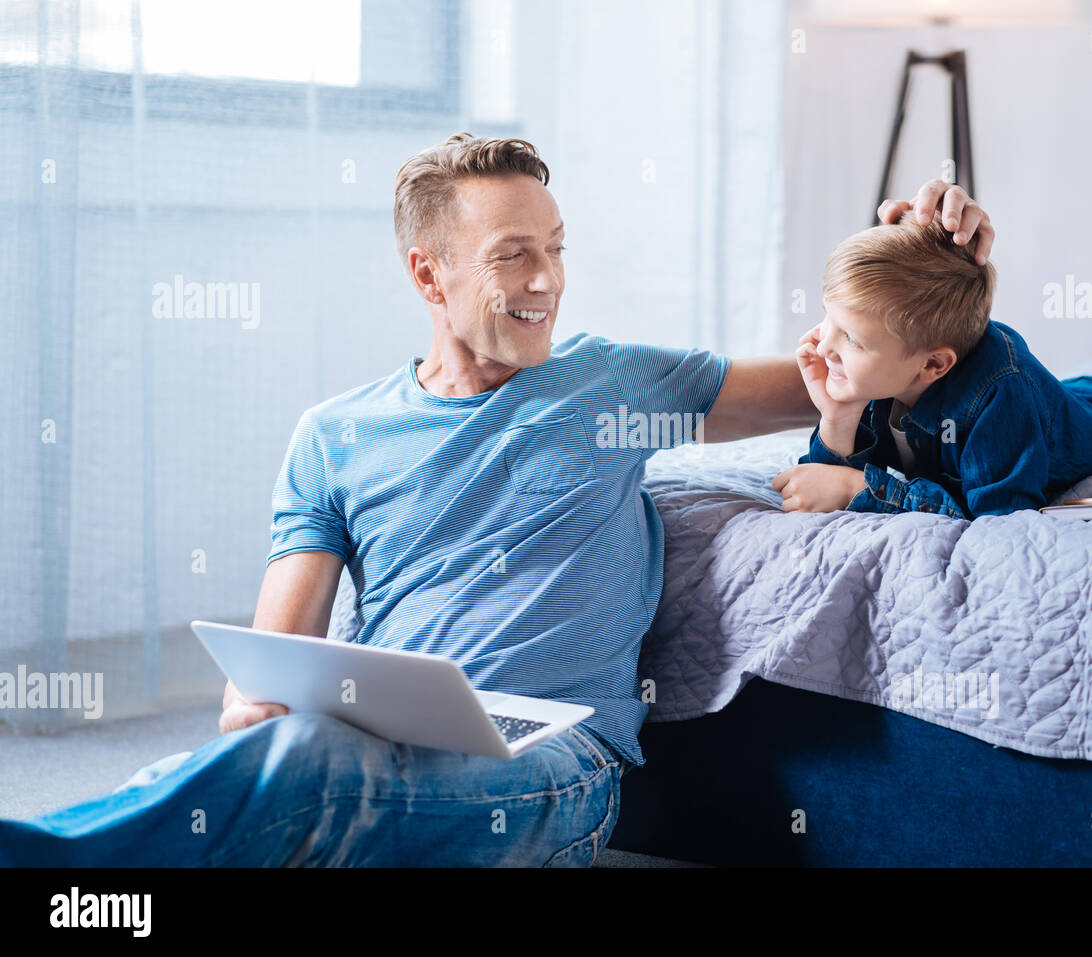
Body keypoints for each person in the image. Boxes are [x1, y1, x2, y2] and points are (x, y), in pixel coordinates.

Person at [0, 134, 992, 866]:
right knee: (297, 754)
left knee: (302, 784)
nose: (548, 280)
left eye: (555, 247)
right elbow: (270, 668)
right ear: (426, 273)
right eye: (513, 254)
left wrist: (935, 270)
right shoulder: (334, 436)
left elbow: (868, 374)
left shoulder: (615, 386)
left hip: (553, 774)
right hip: (374, 743)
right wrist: (249, 712)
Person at [772, 211, 1092, 519]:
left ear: (934, 364)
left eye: (852, 339)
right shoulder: (879, 369)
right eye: (828, 320)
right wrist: (836, 418)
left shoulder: (999, 393)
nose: (826, 345)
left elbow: (999, 516)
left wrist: (865, 492)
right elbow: (827, 476)